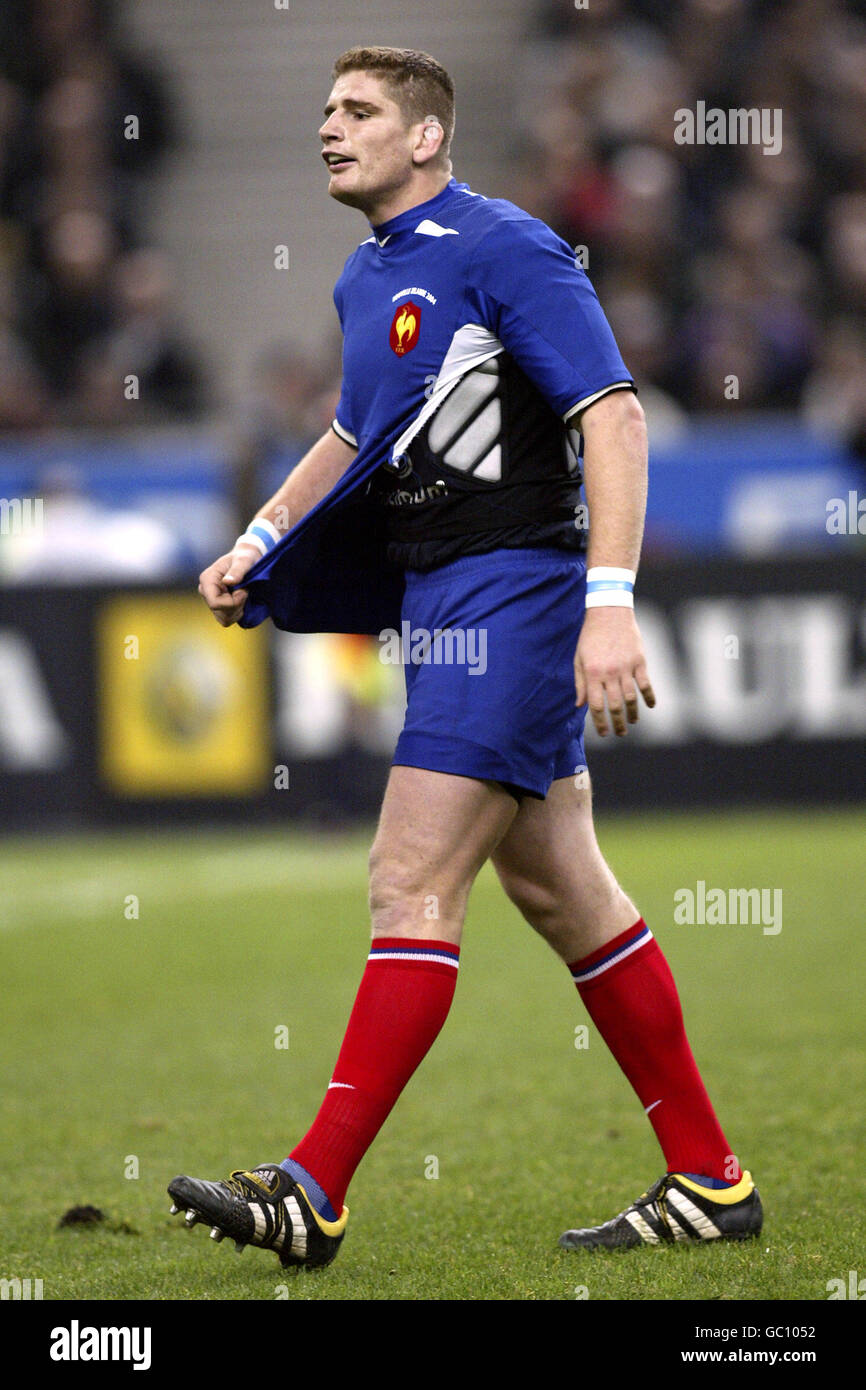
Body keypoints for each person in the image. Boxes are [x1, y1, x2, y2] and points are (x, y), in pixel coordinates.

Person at [169, 46, 762, 1269]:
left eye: (359, 110)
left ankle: (310, 1190)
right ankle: (708, 1179)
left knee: (407, 879)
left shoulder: (506, 248)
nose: (329, 127)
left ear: (428, 136)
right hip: (441, 593)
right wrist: (261, 536)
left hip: (515, 590)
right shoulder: (364, 275)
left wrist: (607, 601)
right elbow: (352, 433)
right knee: (560, 888)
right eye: (325, 107)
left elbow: (613, 413)